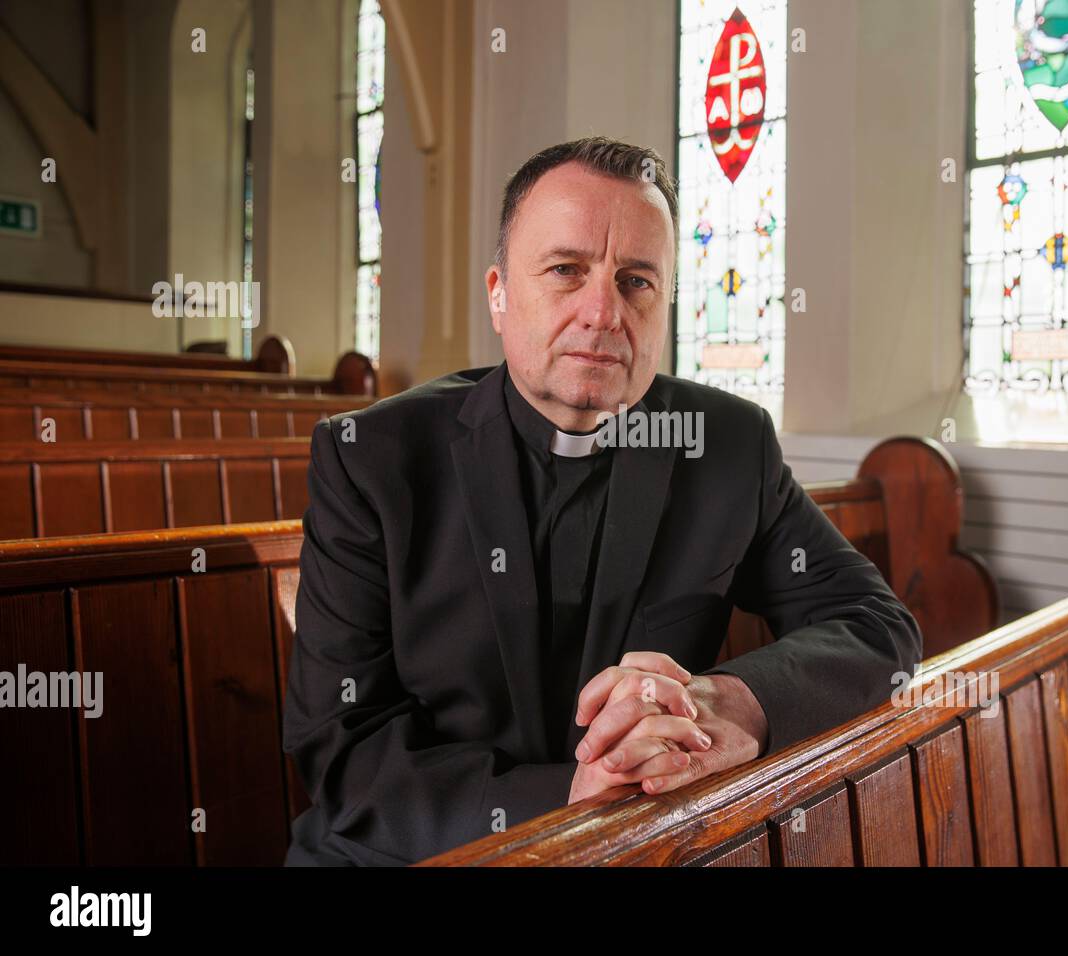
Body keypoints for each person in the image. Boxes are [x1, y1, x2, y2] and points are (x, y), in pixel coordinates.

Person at [283, 136, 921, 865]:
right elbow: (340, 748)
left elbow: (877, 627)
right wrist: (569, 797)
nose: (603, 312)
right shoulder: (372, 458)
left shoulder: (725, 445)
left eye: (636, 281)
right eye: (566, 270)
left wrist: (730, 701)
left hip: (642, 848)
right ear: (498, 292)